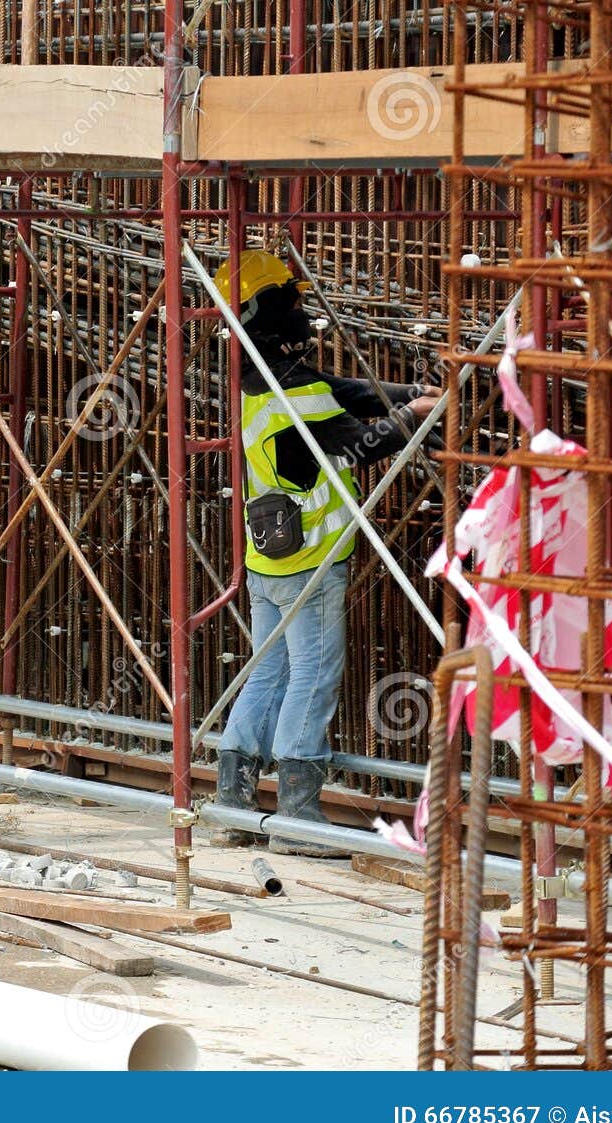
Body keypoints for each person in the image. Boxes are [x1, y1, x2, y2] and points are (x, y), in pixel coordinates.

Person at [213, 250, 441, 856]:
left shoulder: (255, 383)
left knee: (267, 672)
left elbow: (342, 391)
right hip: (310, 561)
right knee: (313, 676)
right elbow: (356, 441)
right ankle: (297, 817)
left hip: (268, 562)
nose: (303, 311)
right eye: (293, 302)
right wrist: (414, 419)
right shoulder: (295, 392)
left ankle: (231, 802)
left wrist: (410, 393)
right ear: (267, 313)